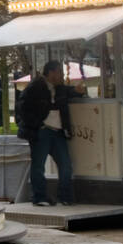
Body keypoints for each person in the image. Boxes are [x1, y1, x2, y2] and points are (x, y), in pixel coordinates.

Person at [17, 60, 84, 207]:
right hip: (42, 131)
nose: (62, 75)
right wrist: (37, 125)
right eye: (60, 72)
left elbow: (69, 91)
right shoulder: (35, 87)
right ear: (52, 73)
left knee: (65, 164)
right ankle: (40, 197)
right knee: (39, 165)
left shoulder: (58, 88)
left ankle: (64, 197)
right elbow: (22, 108)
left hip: (57, 131)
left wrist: (78, 91)